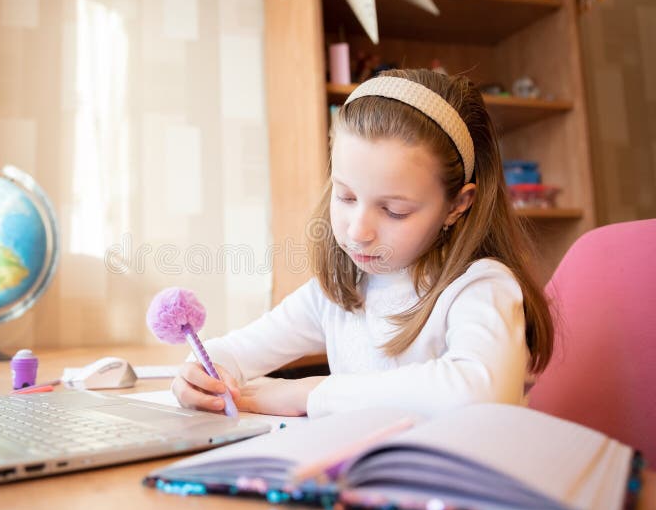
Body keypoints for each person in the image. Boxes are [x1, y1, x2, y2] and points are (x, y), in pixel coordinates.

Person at [171, 68, 554, 418]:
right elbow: (236, 352)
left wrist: (313, 394)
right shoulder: (340, 291)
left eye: (394, 210)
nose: (358, 231)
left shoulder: (480, 286)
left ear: (456, 205)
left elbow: (481, 394)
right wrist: (200, 372)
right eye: (346, 197)